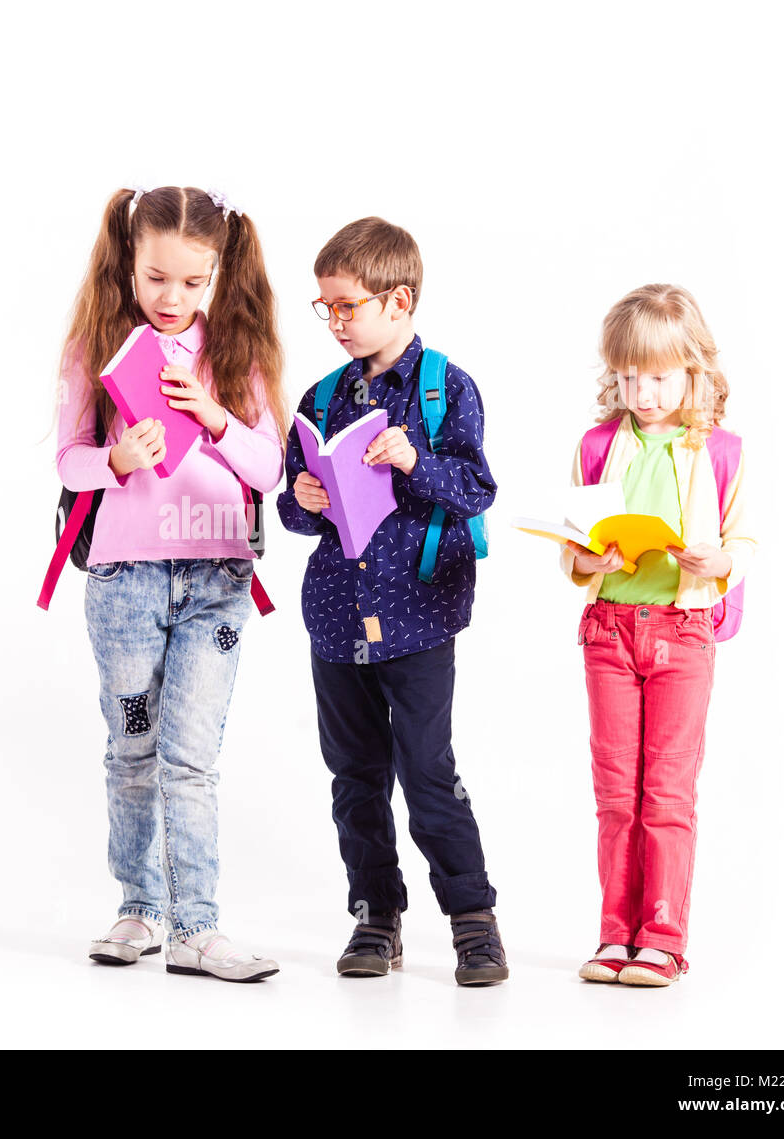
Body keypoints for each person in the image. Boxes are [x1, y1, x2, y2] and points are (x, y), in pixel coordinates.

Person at [57, 186, 285, 982]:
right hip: (123, 579)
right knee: (133, 747)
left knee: (191, 757)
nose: (173, 297)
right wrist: (116, 460)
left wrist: (218, 418)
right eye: (157, 278)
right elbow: (68, 461)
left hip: (218, 577)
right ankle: (140, 907)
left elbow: (271, 467)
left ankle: (197, 926)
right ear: (131, 261)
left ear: (219, 272)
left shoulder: (238, 349)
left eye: (193, 281)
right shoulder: (97, 346)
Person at [278, 217, 507, 983]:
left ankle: (473, 918)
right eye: (327, 307)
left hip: (418, 615)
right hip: (337, 619)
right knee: (354, 776)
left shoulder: (446, 388)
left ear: (398, 299)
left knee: (428, 771)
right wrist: (306, 495)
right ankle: (376, 915)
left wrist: (415, 460)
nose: (336, 320)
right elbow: (292, 509)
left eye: (347, 305)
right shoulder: (322, 394)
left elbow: (479, 488)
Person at [563, 284, 755, 986]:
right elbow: (575, 547)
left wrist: (721, 561)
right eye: (629, 376)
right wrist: (589, 559)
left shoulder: (722, 450)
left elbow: (747, 538)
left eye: (660, 377)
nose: (643, 392)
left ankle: (664, 938)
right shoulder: (597, 445)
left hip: (683, 633)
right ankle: (616, 934)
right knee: (616, 794)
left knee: (667, 793)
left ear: (693, 371)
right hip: (609, 631)